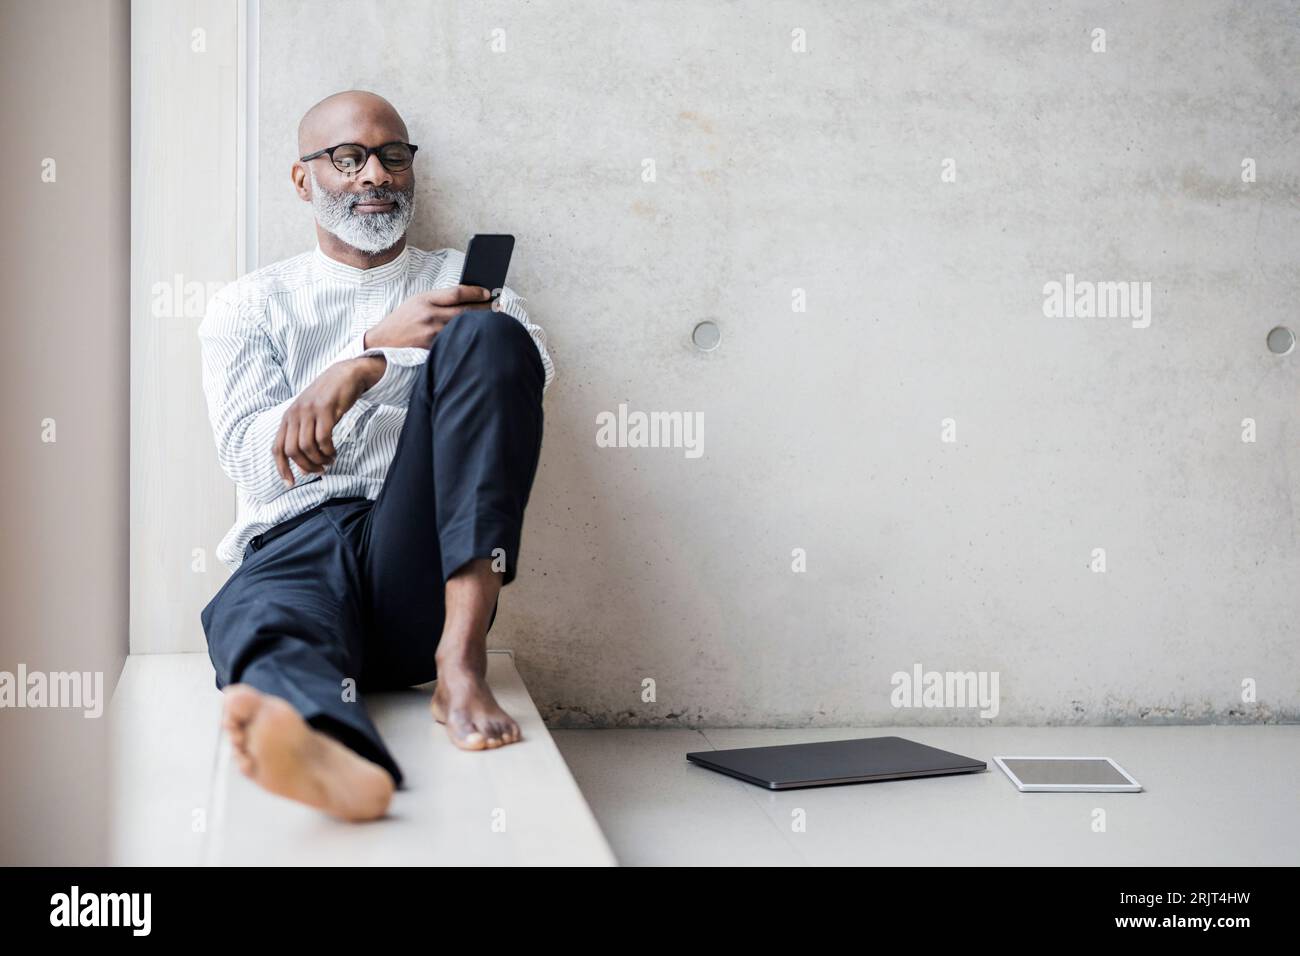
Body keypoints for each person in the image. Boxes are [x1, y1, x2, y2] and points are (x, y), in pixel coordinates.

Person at [196, 89, 554, 821]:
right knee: (261, 617)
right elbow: (254, 466)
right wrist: (359, 347)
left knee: (487, 338)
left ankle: (460, 666)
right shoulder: (250, 304)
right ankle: (336, 755)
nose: (374, 175)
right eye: (347, 158)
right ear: (304, 180)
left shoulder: (463, 285)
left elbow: (523, 382)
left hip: (418, 567)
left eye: (392, 156)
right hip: (298, 547)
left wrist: (368, 368)